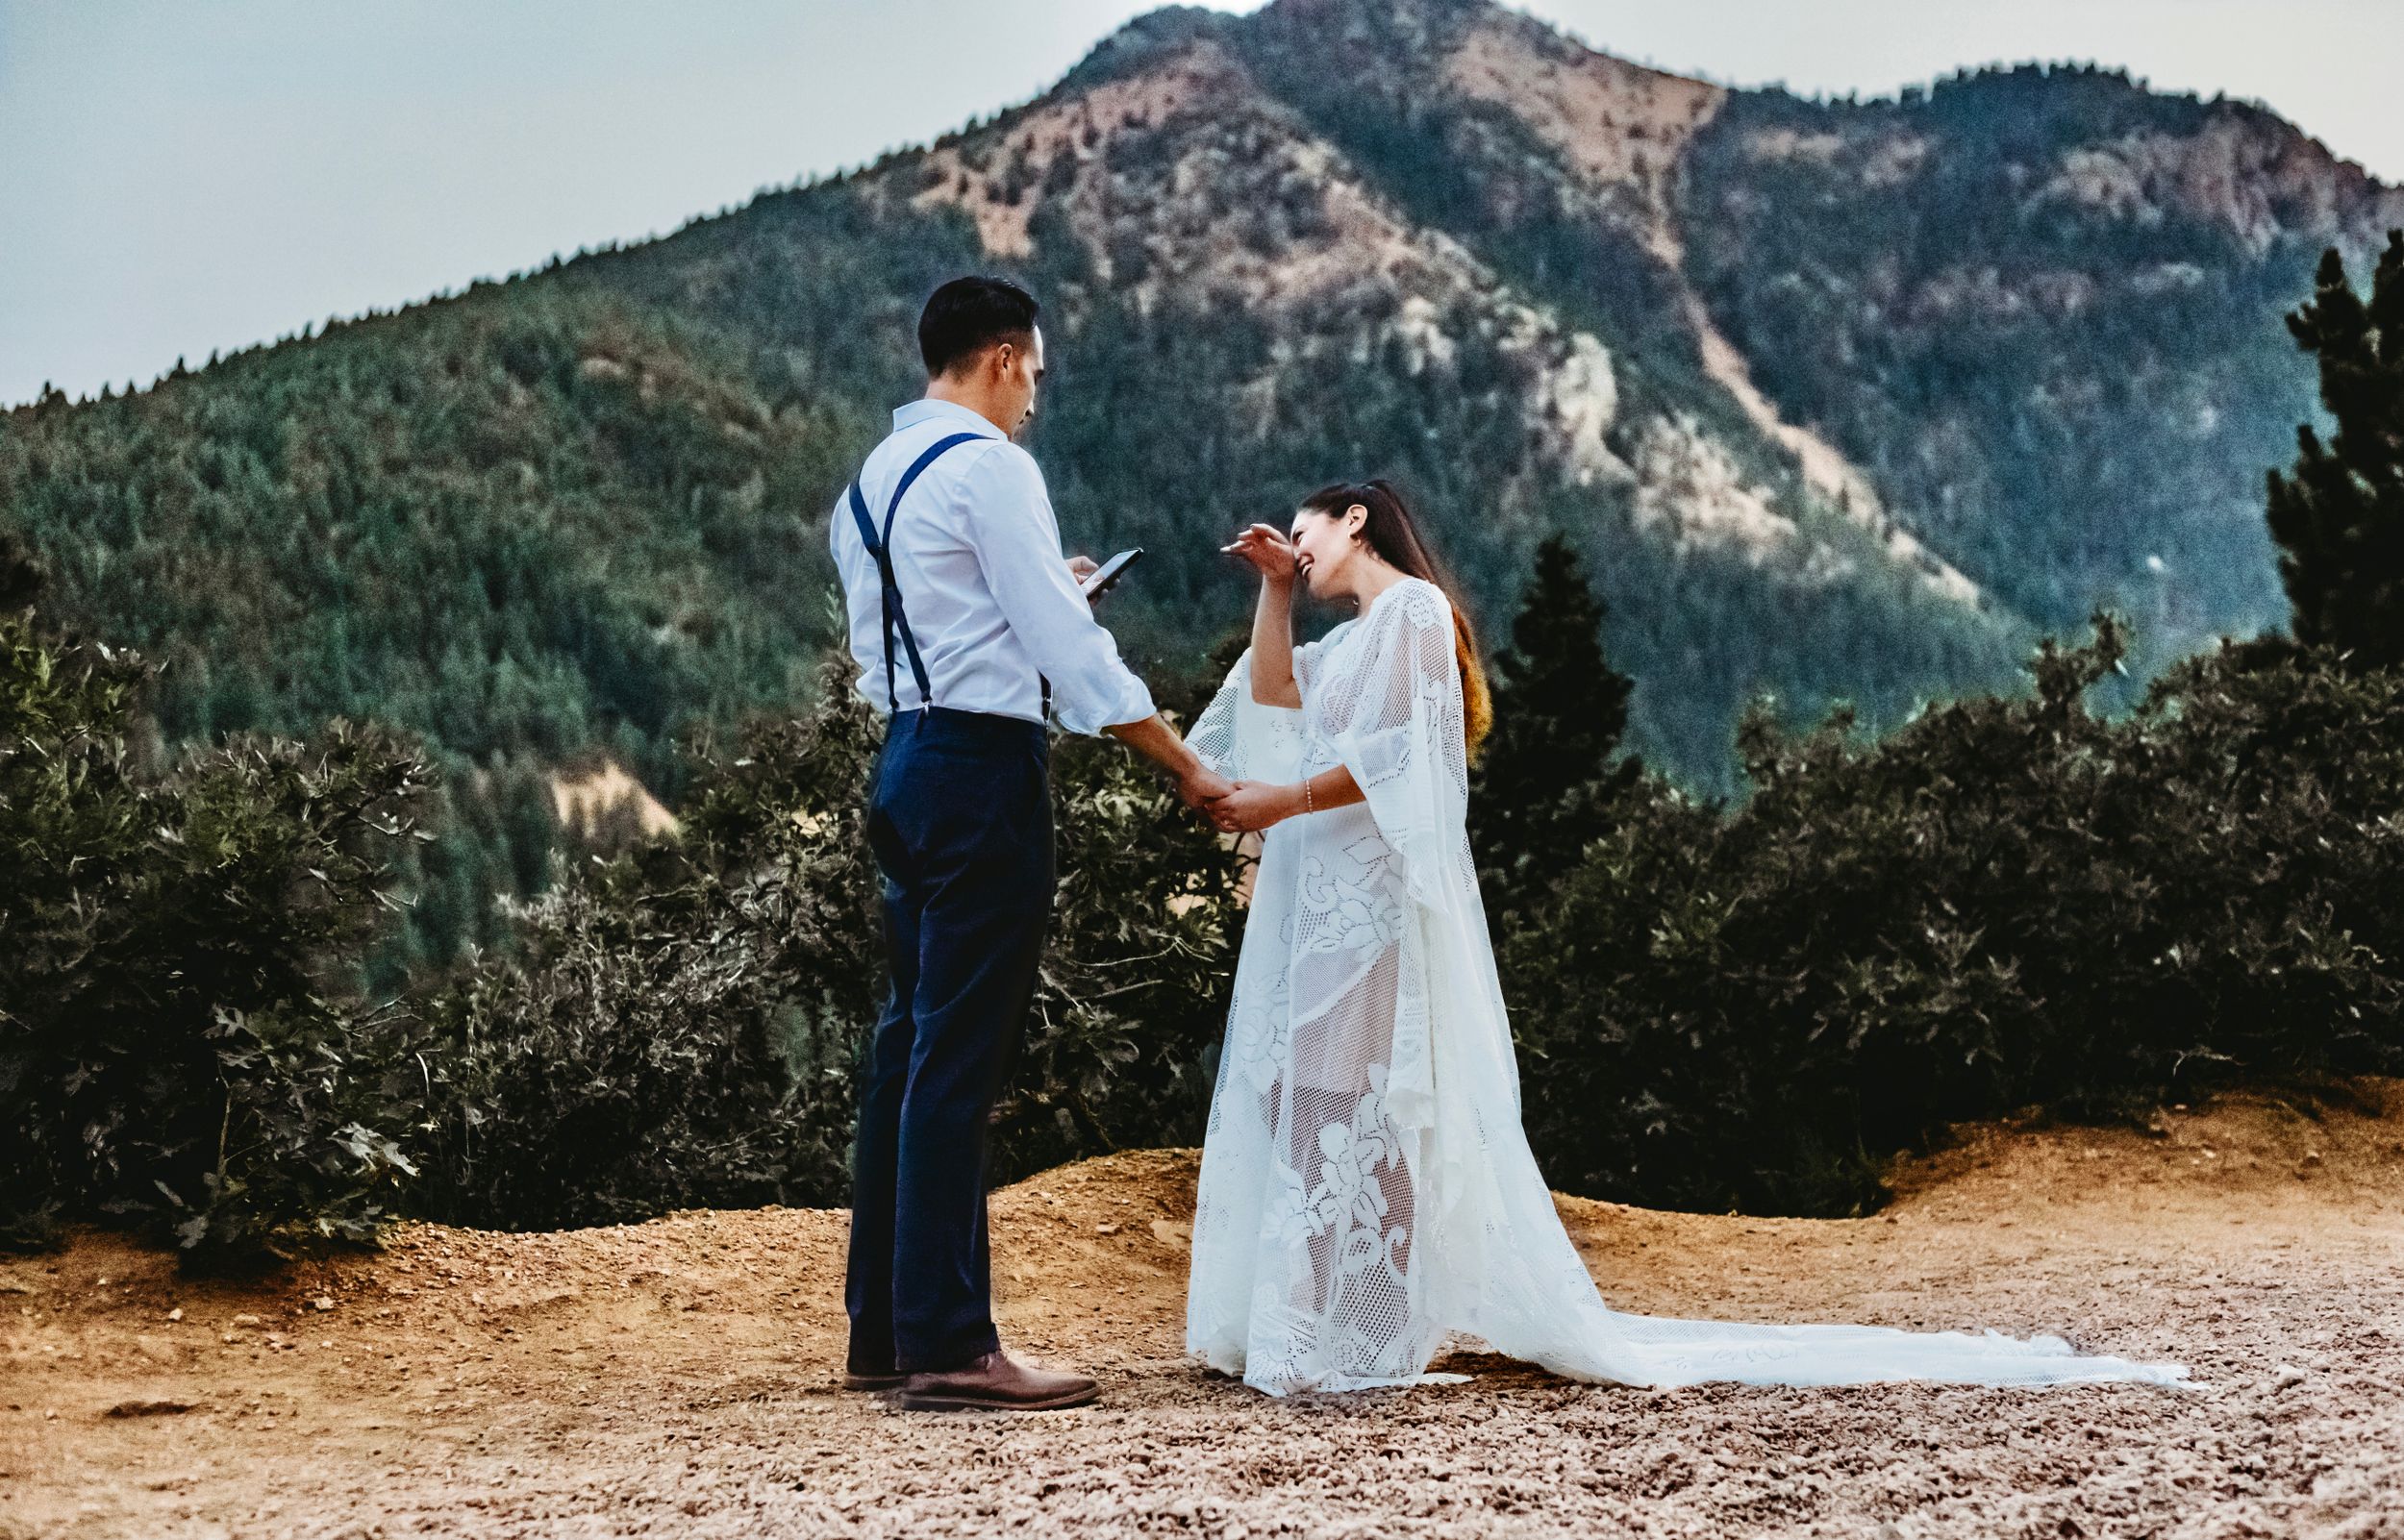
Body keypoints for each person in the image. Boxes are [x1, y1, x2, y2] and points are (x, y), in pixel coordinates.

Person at [1183, 479, 2196, 1396]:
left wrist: (1278, 803)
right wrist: (1273, 589)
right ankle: (1323, 1322)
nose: (1300, 545)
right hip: (1328, 905)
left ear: (1354, 517)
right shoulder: (1352, 636)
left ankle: (1354, 1337)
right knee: (1313, 1091)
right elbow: (1275, 693)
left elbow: (1401, 760)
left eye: (1305, 531)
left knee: (1362, 1098)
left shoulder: (1409, 613)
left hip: (1369, 903)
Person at [831, 275, 1233, 1412]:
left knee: (906, 1047)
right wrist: (1186, 763)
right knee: (957, 1057)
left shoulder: (868, 484)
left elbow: (920, 631)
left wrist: (1034, 601)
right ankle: (955, 1344)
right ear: (1004, 358)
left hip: (905, 761)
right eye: (1036, 375)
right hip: (980, 772)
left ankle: (885, 1331)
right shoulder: (992, 469)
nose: (1036, 401)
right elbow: (1068, 651)